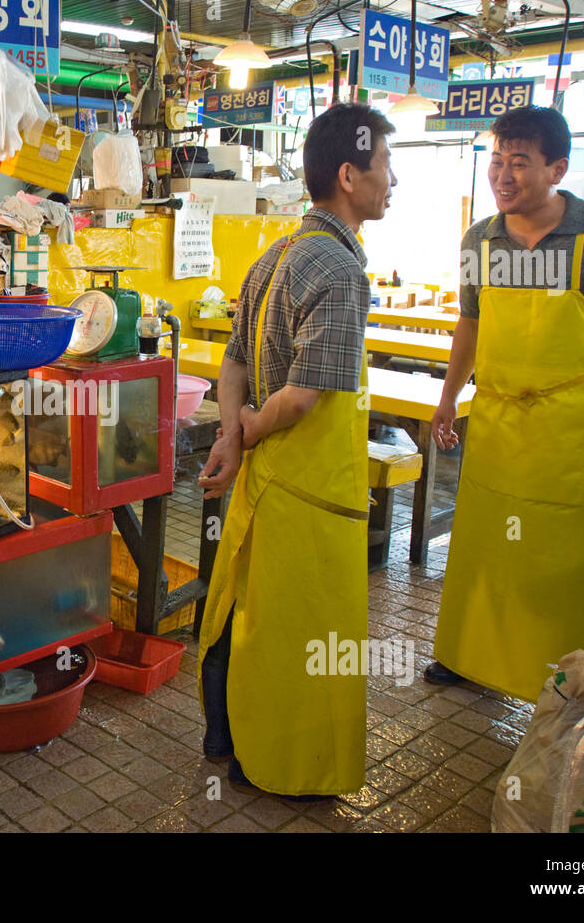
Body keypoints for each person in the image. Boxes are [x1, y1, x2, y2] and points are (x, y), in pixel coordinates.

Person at [427, 106, 584, 701]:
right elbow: (471, 322)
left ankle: (577, 655)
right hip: (500, 417)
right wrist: (448, 398)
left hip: (568, 422)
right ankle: (466, 652)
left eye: (520, 163)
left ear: (558, 168)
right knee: (487, 543)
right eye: (496, 161)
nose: (503, 176)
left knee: (568, 544)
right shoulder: (479, 237)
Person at [196, 103, 397, 797]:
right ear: (349, 175)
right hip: (309, 496)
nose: (392, 181)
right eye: (386, 166)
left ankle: (236, 747)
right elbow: (304, 397)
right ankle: (287, 767)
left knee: (249, 623)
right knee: (300, 639)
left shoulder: (274, 256)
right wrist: (245, 431)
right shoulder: (340, 270)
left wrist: (230, 433)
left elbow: (232, 366)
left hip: (268, 484)